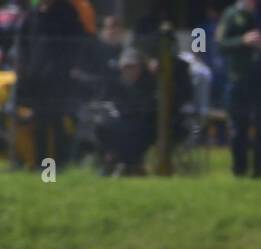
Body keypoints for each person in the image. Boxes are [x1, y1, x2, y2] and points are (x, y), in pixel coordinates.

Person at [13, 0, 88, 169]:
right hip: (36, 79)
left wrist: (72, 66)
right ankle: (43, 166)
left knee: (57, 122)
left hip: (59, 79)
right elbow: (23, 44)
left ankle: (59, 164)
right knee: (39, 124)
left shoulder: (67, 12)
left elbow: (78, 41)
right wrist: (23, 67)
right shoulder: (32, 15)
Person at [217, 0, 261, 177]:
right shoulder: (232, 14)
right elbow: (222, 44)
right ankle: (239, 171)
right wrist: (243, 40)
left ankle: (260, 172)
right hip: (240, 78)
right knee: (239, 127)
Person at [93, 47, 155, 174]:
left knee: (135, 131)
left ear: (140, 67)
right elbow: (103, 101)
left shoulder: (148, 84)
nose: (130, 70)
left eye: (133, 66)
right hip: (116, 122)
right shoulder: (113, 83)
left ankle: (129, 164)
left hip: (140, 125)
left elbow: (149, 106)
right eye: (127, 66)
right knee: (101, 125)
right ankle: (113, 161)